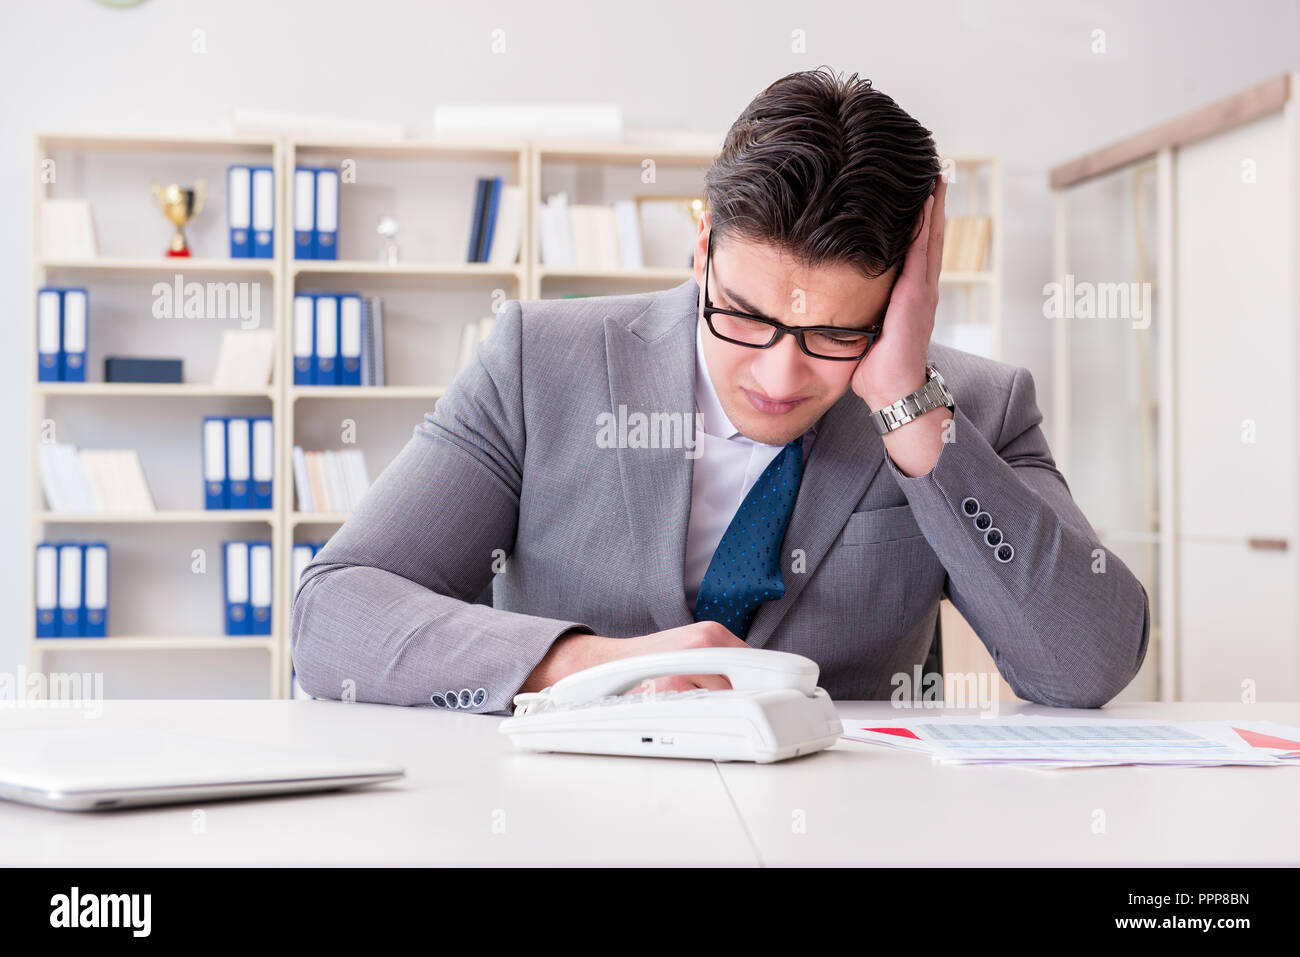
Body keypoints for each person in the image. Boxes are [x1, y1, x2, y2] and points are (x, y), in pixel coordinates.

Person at [292, 66, 1149, 713]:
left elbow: (1087, 663)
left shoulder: (975, 408)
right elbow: (332, 614)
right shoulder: (538, 362)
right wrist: (589, 663)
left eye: (835, 334)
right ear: (700, 250)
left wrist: (908, 411)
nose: (779, 377)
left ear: (901, 300)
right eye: (744, 315)